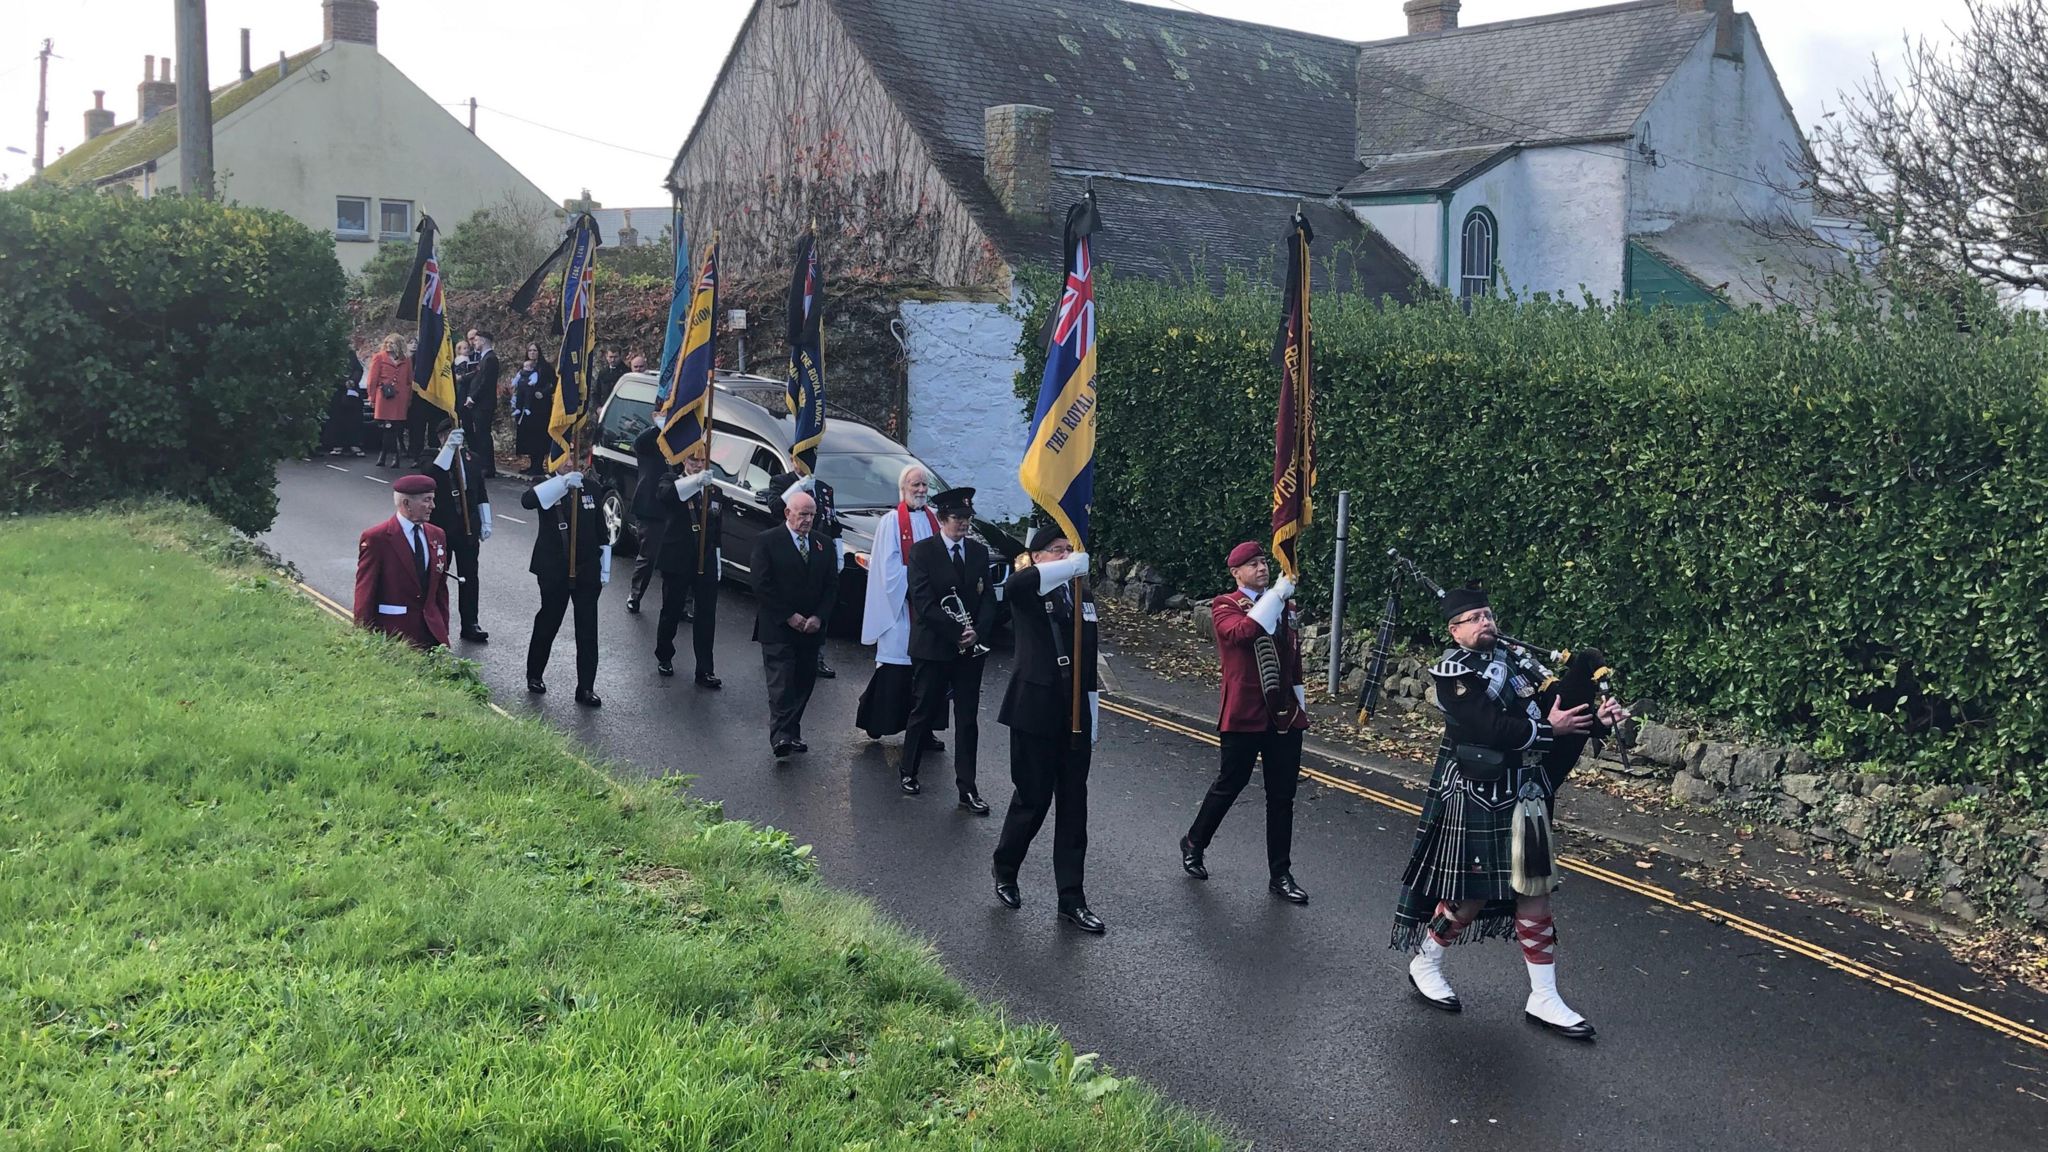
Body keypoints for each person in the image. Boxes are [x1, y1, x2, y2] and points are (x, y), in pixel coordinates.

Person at [1393, 584, 1624, 1041]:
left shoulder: (1519, 662)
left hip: (1528, 790)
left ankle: (1543, 995)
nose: (1485, 622)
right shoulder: (1452, 672)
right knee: (1472, 894)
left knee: (1535, 890)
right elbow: (1486, 727)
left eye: (1487, 614)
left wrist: (1598, 720)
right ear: (1454, 629)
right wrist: (1547, 727)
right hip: (1479, 790)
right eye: (1474, 618)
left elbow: (1553, 710)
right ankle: (1428, 958)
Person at [1179, 541, 1311, 904]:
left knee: (1282, 796)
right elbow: (1243, 633)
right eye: (1251, 565)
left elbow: (1293, 658)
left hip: (1283, 714)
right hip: (1244, 712)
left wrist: (1300, 705)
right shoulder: (1225, 605)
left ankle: (1280, 873)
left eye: (1263, 562)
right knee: (1230, 784)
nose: (1262, 568)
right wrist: (1279, 596)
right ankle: (1194, 841)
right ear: (1236, 573)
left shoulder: (1285, 605)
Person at [990, 526, 1103, 933]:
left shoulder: (1081, 595)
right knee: (1032, 800)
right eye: (1057, 550)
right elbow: (1019, 584)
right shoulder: (1028, 590)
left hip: (1074, 715)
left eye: (1070, 550)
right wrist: (1070, 564)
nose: (1067, 556)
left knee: (1074, 808)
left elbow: (1090, 658)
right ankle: (1006, 867)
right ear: (1037, 557)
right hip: (1033, 710)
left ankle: (1071, 899)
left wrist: (1092, 712)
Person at [900, 487, 996, 810]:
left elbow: (988, 600)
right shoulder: (923, 553)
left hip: (969, 651)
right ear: (942, 519)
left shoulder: (978, 553)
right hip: (934, 646)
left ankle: (967, 788)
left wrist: (977, 631)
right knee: (923, 708)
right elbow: (924, 603)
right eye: (958, 518)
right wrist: (958, 631)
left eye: (967, 518)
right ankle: (908, 769)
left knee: (967, 719)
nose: (964, 524)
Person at [751, 489, 837, 758]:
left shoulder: (823, 544)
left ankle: (792, 730)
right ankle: (781, 736)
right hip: (778, 627)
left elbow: (831, 586)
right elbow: (762, 584)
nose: (808, 520)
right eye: (803, 515)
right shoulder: (768, 541)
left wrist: (818, 617)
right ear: (788, 513)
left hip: (811, 629)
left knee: (803, 682)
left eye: (812, 515)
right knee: (782, 683)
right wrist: (789, 615)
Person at [521, 455, 612, 706]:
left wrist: (605, 567)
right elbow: (527, 501)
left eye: (576, 458)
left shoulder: (591, 487)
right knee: (549, 621)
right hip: (554, 568)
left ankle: (585, 688)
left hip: (587, 568)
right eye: (564, 459)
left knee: (587, 629)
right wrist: (562, 484)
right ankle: (535, 675)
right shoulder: (543, 483)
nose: (571, 464)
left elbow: (601, 531)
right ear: (552, 460)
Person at [856, 465, 938, 741]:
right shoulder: (891, 522)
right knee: (897, 669)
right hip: (901, 608)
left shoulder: (934, 519)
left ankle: (923, 731)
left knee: (929, 673)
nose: (921, 490)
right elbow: (887, 570)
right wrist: (920, 586)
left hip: (929, 612)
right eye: (915, 485)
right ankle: (879, 721)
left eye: (924, 485)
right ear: (903, 489)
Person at [351, 473, 450, 649]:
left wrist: (443, 627)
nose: (432, 506)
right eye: (427, 500)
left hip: (432, 633)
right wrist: (362, 637)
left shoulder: (438, 535)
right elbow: (365, 590)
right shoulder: (377, 538)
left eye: (432, 499)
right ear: (406, 504)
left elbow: (440, 588)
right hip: (394, 633)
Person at [652, 450, 724, 688]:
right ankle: (664, 655)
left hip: (705, 558)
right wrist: (694, 482)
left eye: (702, 461)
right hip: (678, 556)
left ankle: (705, 669)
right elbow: (666, 497)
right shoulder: (670, 480)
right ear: (684, 461)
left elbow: (716, 526)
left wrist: (717, 556)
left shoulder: (713, 490)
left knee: (706, 616)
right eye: (693, 460)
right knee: (671, 610)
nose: (698, 465)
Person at [424, 424, 492, 643]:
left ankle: (470, 622)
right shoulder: (430, 458)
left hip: (467, 527)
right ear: (441, 437)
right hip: (442, 528)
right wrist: (449, 449)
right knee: (437, 576)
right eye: (449, 436)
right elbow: (433, 477)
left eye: (457, 436)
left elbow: (480, 491)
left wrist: (486, 520)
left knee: (470, 577)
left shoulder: (471, 459)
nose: (455, 440)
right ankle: (434, 621)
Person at [626, 425, 669, 616]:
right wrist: (657, 426)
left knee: (680, 559)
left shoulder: (682, 444)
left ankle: (682, 604)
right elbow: (639, 442)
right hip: (652, 508)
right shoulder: (651, 445)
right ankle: (635, 596)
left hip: (675, 508)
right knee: (648, 556)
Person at [367, 334, 413, 469]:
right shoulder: (379, 357)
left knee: (396, 427)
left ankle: (386, 453)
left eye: (392, 343)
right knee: (387, 427)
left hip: (400, 398)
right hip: (385, 397)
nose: (388, 346)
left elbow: (409, 381)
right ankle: (392, 453)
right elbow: (372, 380)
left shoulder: (407, 360)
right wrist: (372, 397)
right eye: (387, 343)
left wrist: (409, 398)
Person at [462, 328, 501, 478]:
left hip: (484, 404)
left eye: (476, 340)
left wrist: (473, 397)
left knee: (483, 435)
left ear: (484, 341)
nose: (474, 343)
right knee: (480, 434)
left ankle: (487, 466)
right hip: (480, 403)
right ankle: (483, 464)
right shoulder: (484, 358)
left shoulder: (490, 358)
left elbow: (485, 382)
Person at [509, 354, 552, 477]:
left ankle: (538, 466)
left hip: (539, 408)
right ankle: (531, 465)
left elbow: (552, 384)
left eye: (535, 350)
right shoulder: (524, 368)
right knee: (528, 440)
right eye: (530, 350)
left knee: (538, 439)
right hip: (524, 408)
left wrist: (542, 392)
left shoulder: (545, 368)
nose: (532, 353)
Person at [324, 344, 367, 457]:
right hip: (336, 391)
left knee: (354, 419)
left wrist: (353, 380)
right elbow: (327, 372)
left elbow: (358, 369)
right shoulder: (328, 353)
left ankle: (355, 444)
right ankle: (337, 445)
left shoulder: (350, 353)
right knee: (336, 418)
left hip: (352, 392)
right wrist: (342, 381)